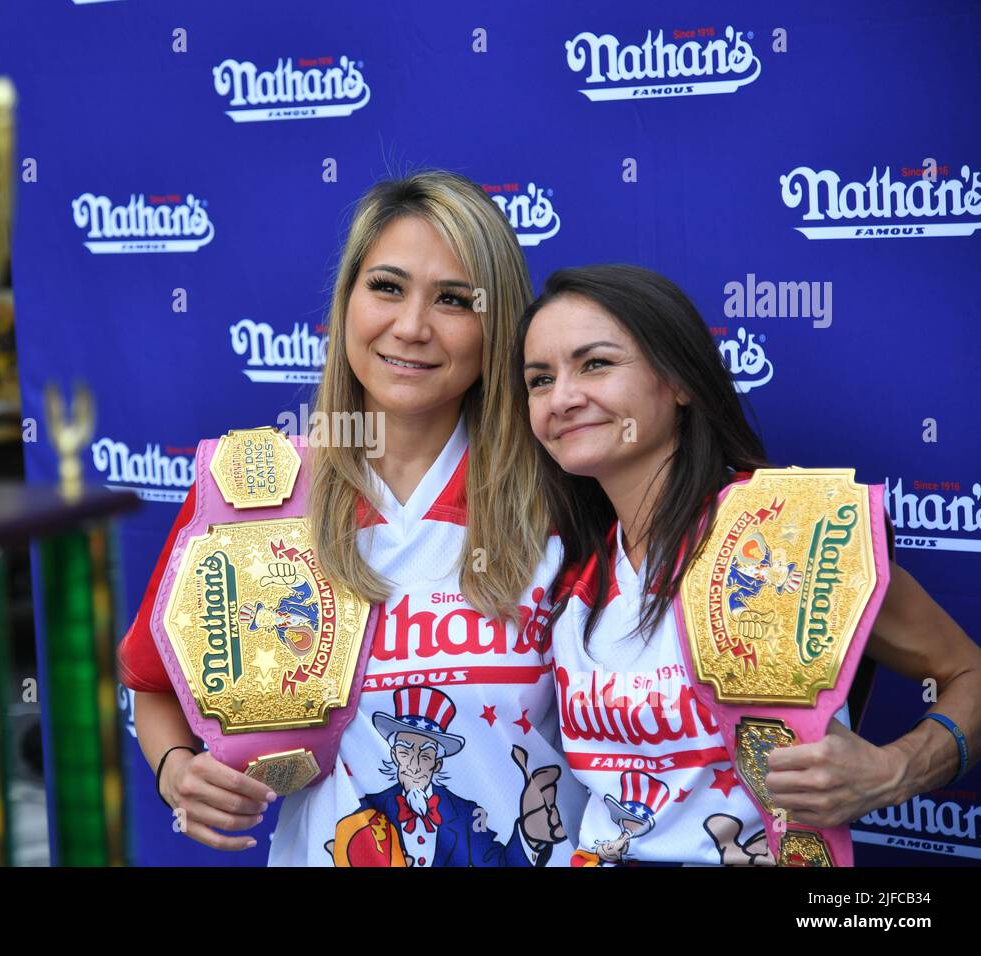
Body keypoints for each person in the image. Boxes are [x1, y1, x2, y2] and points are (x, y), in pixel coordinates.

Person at [118, 170, 586, 866]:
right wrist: (176, 773)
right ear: (345, 303)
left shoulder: (563, 495)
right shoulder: (259, 494)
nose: (411, 327)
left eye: (454, 300)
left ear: (498, 328)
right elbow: (152, 681)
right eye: (387, 287)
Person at [517, 263, 981, 865]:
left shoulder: (790, 533)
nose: (563, 397)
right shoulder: (565, 569)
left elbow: (968, 673)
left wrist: (895, 770)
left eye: (596, 363)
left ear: (680, 380)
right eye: (538, 379)